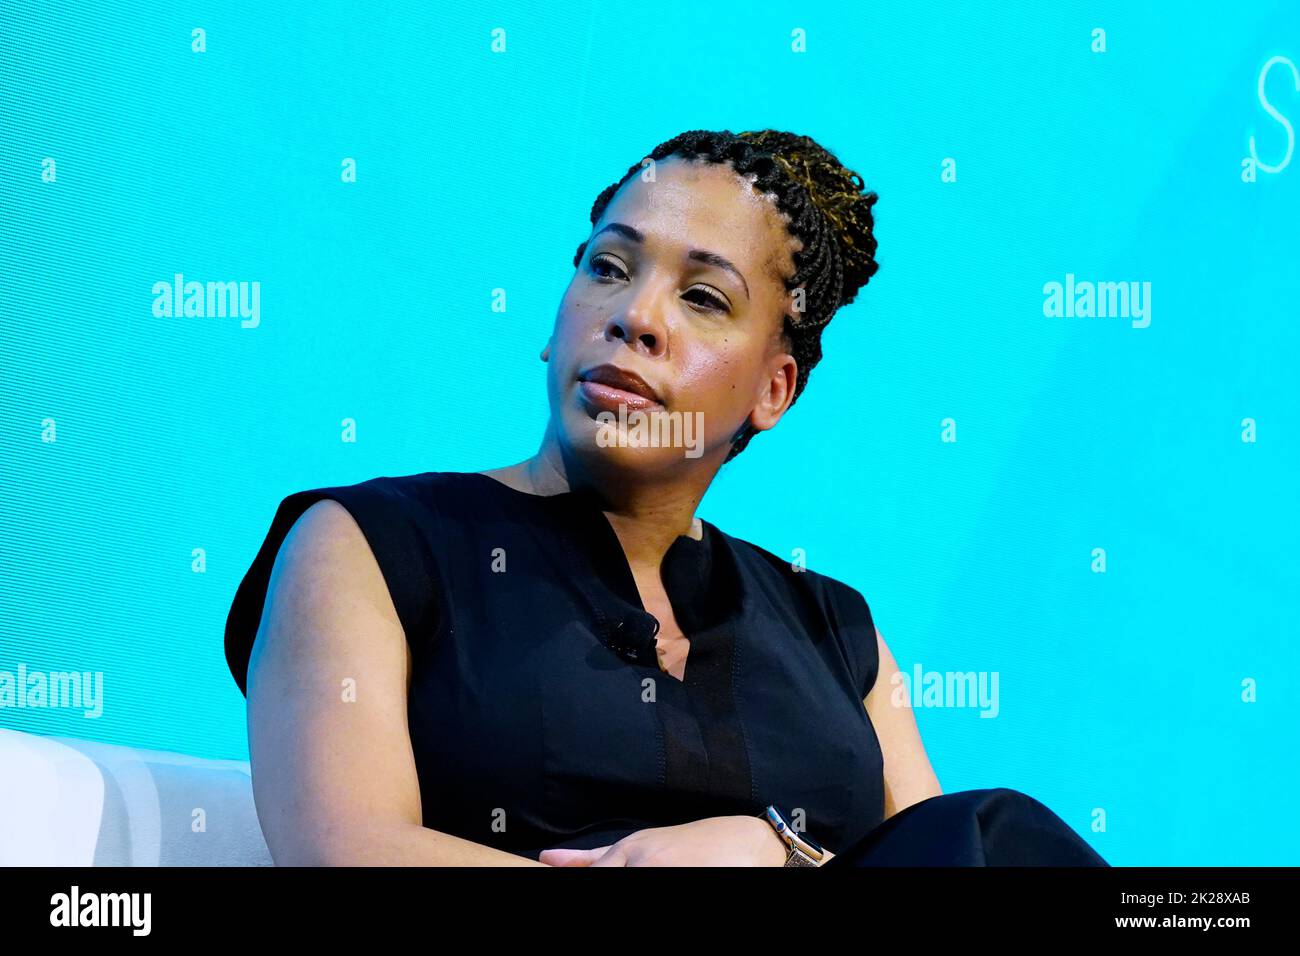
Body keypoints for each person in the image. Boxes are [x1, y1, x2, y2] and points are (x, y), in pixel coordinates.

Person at [224, 129, 1107, 867]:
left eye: (701, 297)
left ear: (774, 388)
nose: (634, 316)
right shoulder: (369, 545)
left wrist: (775, 855)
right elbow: (347, 853)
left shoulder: (837, 634)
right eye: (608, 268)